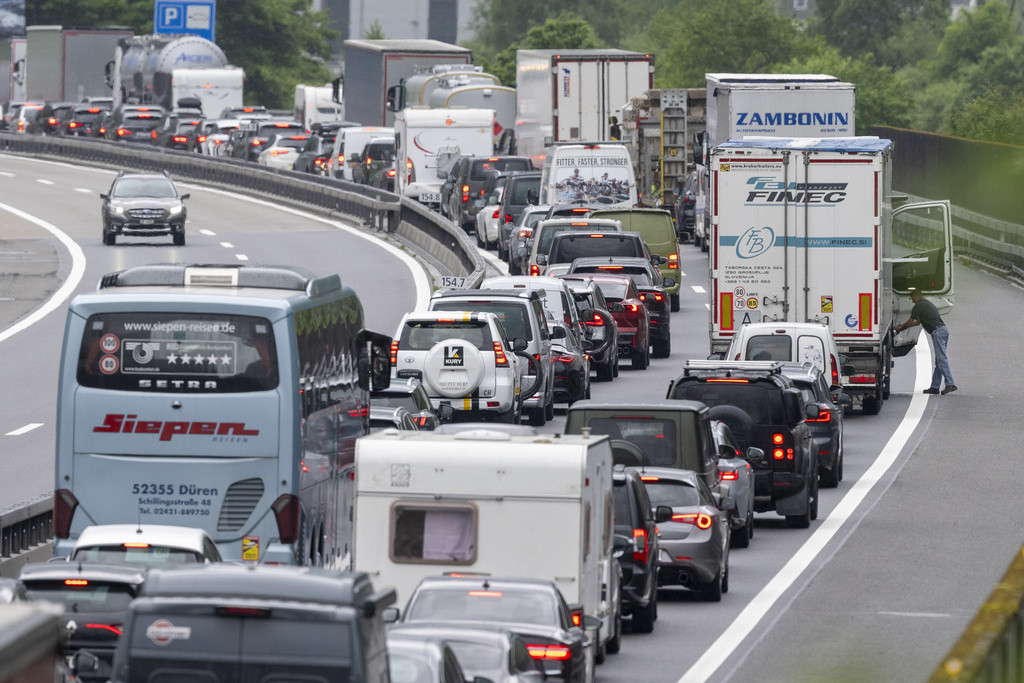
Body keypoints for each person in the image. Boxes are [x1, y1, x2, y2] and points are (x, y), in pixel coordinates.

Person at [894, 290, 956, 395]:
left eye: (912, 298)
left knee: (941, 360)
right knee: (939, 361)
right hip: (943, 331)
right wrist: (901, 327)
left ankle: (950, 384)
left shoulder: (918, 306)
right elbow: (917, 323)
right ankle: (935, 387)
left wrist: (900, 329)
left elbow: (910, 321)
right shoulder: (926, 304)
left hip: (938, 332)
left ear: (916, 296)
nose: (912, 301)